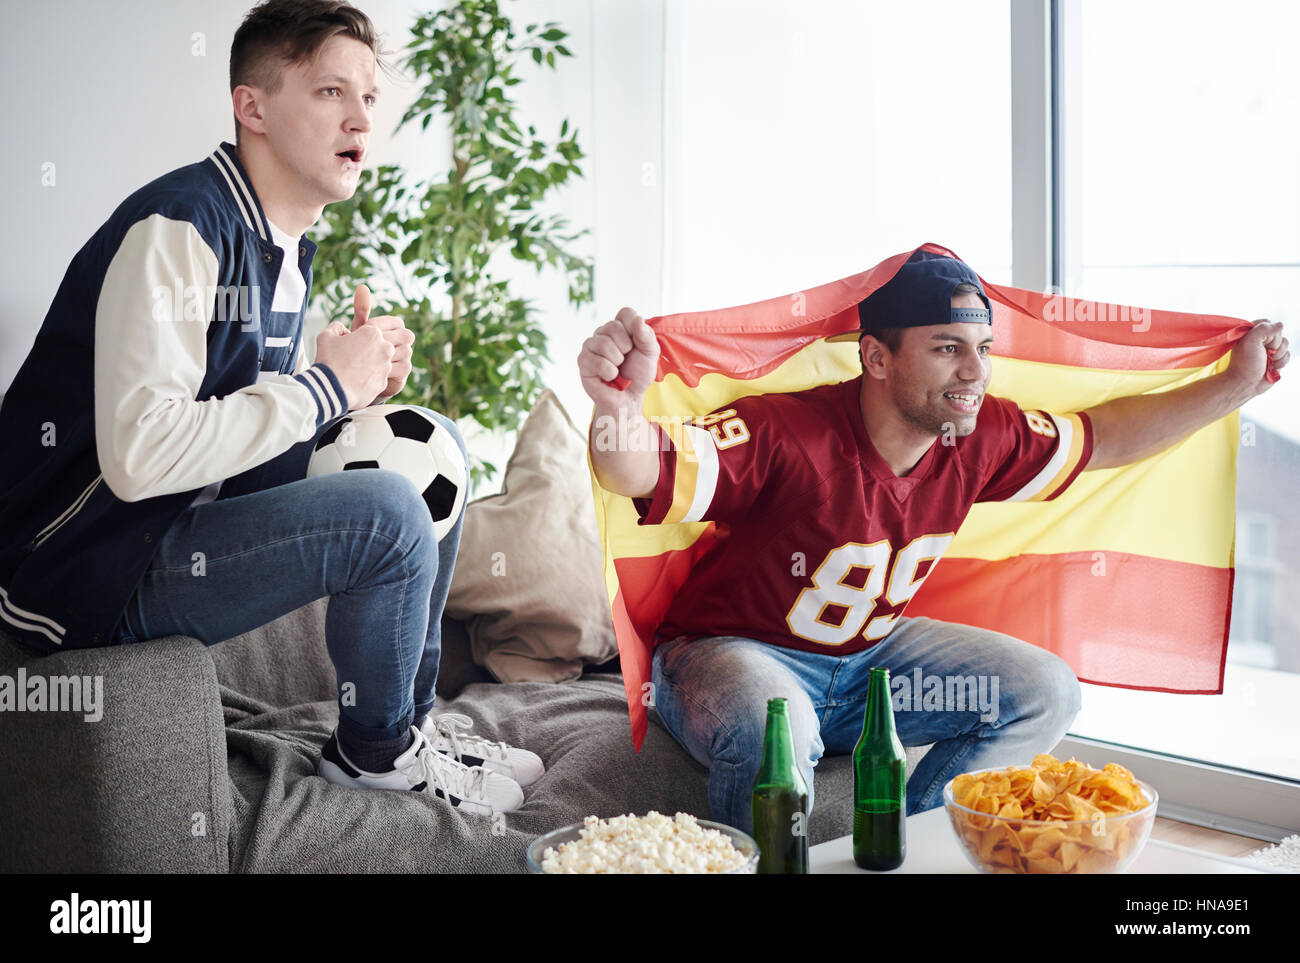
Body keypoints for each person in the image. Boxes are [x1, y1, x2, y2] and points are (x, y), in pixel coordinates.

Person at [0, 0, 541, 815]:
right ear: (251, 106)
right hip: (79, 574)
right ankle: (374, 757)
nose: (361, 115)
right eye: (330, 92)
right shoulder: (180, 226)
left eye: (368, 97)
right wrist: (325, 388)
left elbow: (235, 432)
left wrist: (342, 398)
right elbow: (141, 454)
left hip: (163, 530)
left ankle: (409, 725)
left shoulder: (281, 245)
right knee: (389, 510)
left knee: (425, 443)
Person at [579, 249, 1288, 834]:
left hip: (868, 664)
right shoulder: (786, 432)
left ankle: (918, 847)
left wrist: (1237, 384)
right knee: (780, 730)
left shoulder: (976, 436)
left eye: (982, 349)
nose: (975, 371)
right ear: (876, 358)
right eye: (948, 349)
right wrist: (617, 407)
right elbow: (643, 468)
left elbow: (1107, 438)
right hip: (731, 651)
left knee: (1046, 690)